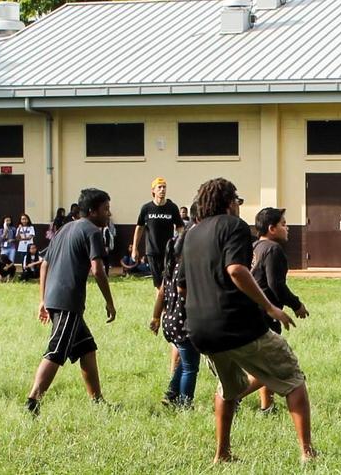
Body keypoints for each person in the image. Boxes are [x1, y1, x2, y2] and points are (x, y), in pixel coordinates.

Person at [182, 177, 314, 464]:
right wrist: (270, 308)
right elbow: (237, 270)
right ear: (230, 202)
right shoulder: (234, 226)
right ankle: (308, 453)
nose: (239, 207)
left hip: (201, 332)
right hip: (237, 325)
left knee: (228, 389)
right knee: (293, 378)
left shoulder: (192, 233)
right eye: (238, 201)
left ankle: (223, 454)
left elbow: (181, 285)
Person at [24, 188, 117, 416]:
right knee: (56, 349)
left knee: (87, 348)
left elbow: (44, 265)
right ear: (93, 211)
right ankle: (33, 400)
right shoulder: (92, 231)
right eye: (105, 209)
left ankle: (97, 401)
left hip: (56, 298)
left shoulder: (65, 229)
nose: (108, 213)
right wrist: (110, 302)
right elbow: (97, 269)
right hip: (68, 301)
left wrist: (42, 300)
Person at [251, 207, 310, 413]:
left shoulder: (256, 247)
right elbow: (276, 285)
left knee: (264, 363)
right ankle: (232, 395)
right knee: (273, 368)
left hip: (254, 311)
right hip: (265, 314)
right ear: (272, 229)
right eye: (283, 224)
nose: (288, 228)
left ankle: (267, 406)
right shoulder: (273, 250)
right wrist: (296, 304)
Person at [150, 218, 200, 409]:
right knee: (191, 367)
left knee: (185, 361)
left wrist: (155, 317)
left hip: (170, 321)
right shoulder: (185, 269)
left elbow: (161, 293)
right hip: (184, 323)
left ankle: (171, 393)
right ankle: (185, 403)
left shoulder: (171, 268)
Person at [133, 177, 185, 288]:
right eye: (159, 187)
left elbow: (180, 228)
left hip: (169, 251)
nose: (162, 190)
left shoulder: (172, 207)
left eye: (164, 187)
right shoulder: (146, 208)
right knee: (158, 284)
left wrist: (182, 245)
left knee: (168, 281)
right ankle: (161, 304)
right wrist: (134, 249)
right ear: (153, 190)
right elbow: (139, 228)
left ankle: (164, 304)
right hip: (153, 251)